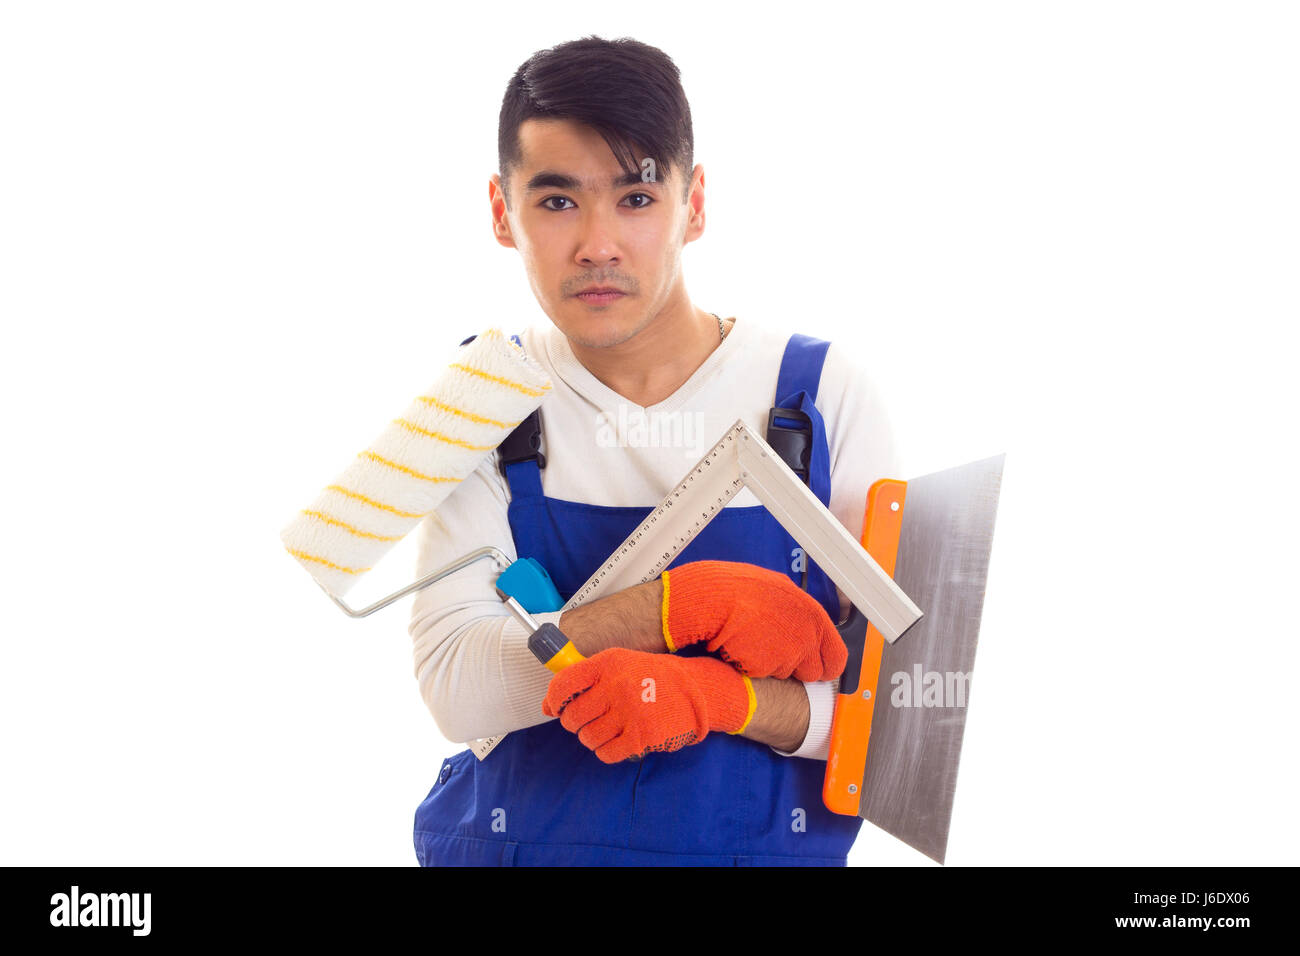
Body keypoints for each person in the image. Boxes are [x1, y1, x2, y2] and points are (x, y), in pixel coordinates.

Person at [408, 35, 901, 866]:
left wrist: (723, 697)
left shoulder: (817, 398)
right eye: (557, 202)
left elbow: (895, 721)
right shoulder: (481, 399)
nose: (598, 244)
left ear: (694, 203)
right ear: (502, 212)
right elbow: (458, 690)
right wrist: (675, 609)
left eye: (636, 198)